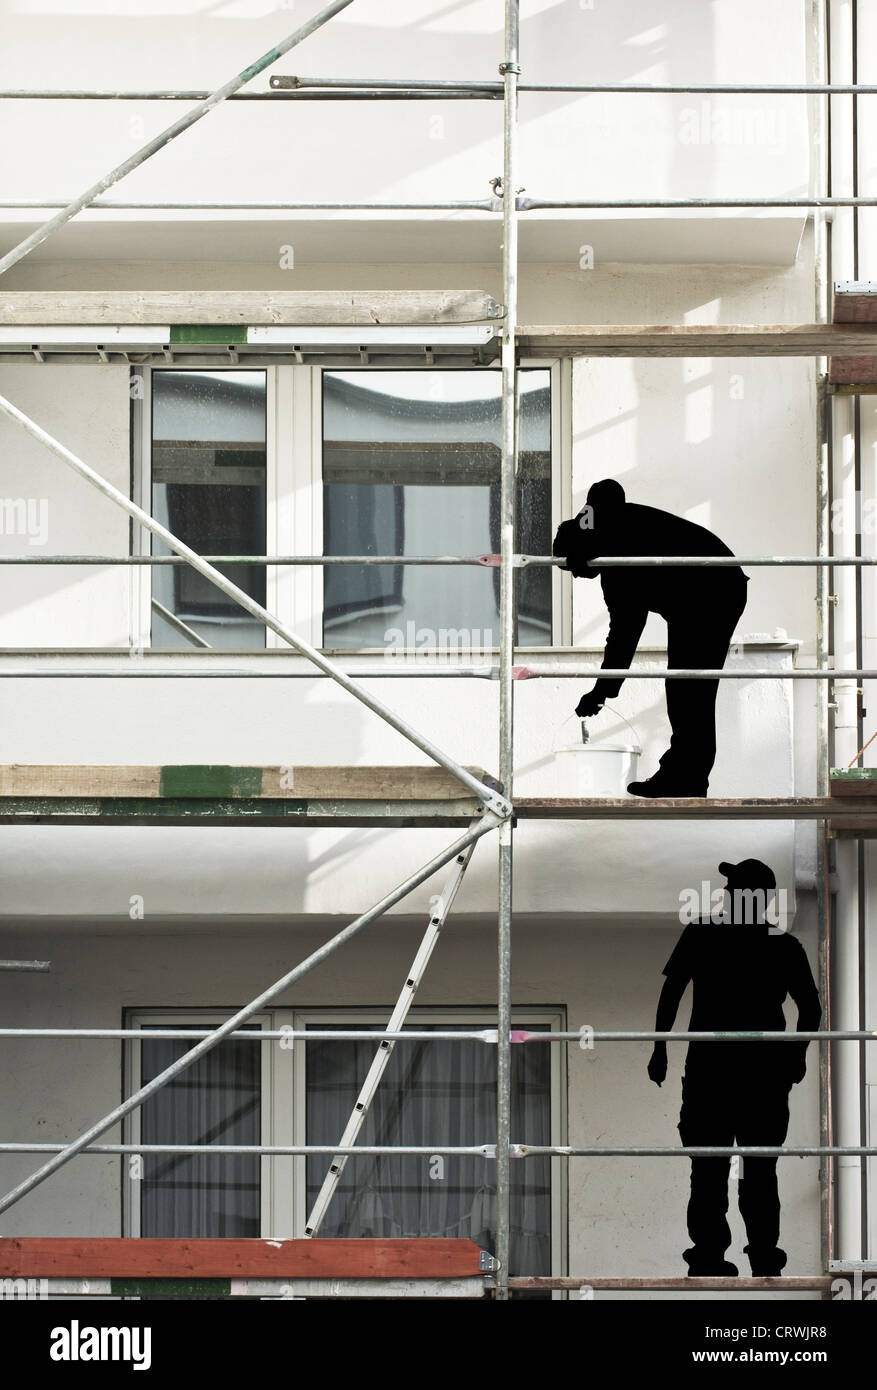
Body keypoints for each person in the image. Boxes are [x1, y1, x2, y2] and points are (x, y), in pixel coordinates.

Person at [647, 859, 822, 1277]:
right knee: (757, 1171)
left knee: (711, 1170)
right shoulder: (782, 944)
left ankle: (712, 1256)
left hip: (716, 1076)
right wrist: (796, 1056)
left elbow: (671, 992)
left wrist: (660, 1050)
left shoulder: (703, 935)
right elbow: (810, 1008)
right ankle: (760, 1256)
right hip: (760, 1078)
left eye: (732, 888)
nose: (725, 894)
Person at [552, 479, 748, 797]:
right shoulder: (610, 538)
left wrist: (600, 693)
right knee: (687, 687)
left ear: (579, 555)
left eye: (569, 567)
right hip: (705, 590)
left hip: (712, 589)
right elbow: (605, 494)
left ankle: (686, 779)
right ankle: (686, 777)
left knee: (689, 689)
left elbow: (623, 638)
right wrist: (602, 692)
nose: (573, 575)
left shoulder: (618, 563)